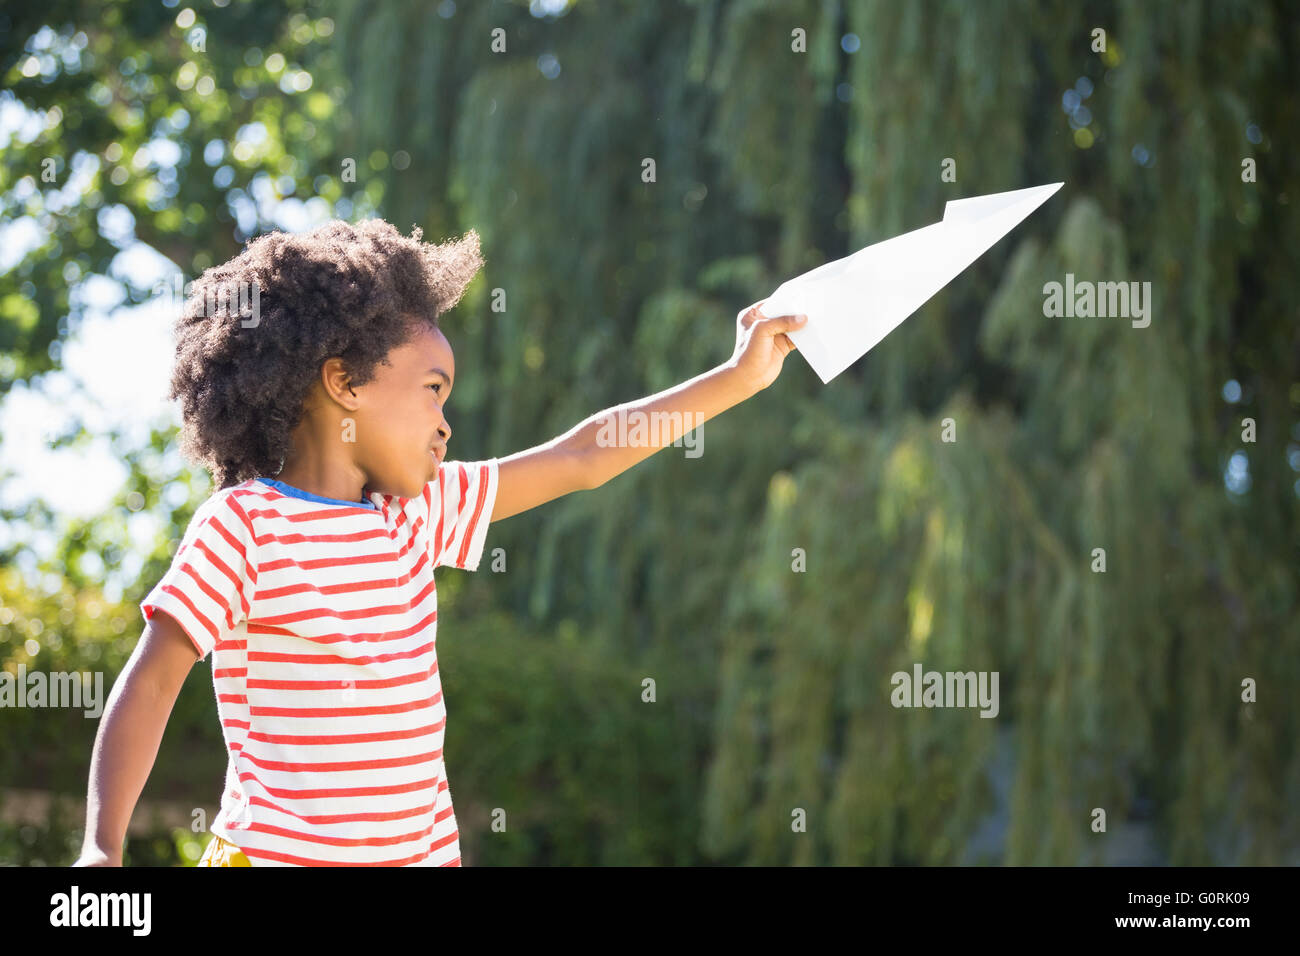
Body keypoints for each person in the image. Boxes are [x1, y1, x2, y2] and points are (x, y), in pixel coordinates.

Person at [72, 218, 806, 866]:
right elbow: (155, 679)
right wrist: (103, 849)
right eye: (432, 390)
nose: (445, 424)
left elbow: (584, 456)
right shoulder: (245, 527)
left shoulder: (414, 515)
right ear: (346, 384)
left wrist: (738, 378)